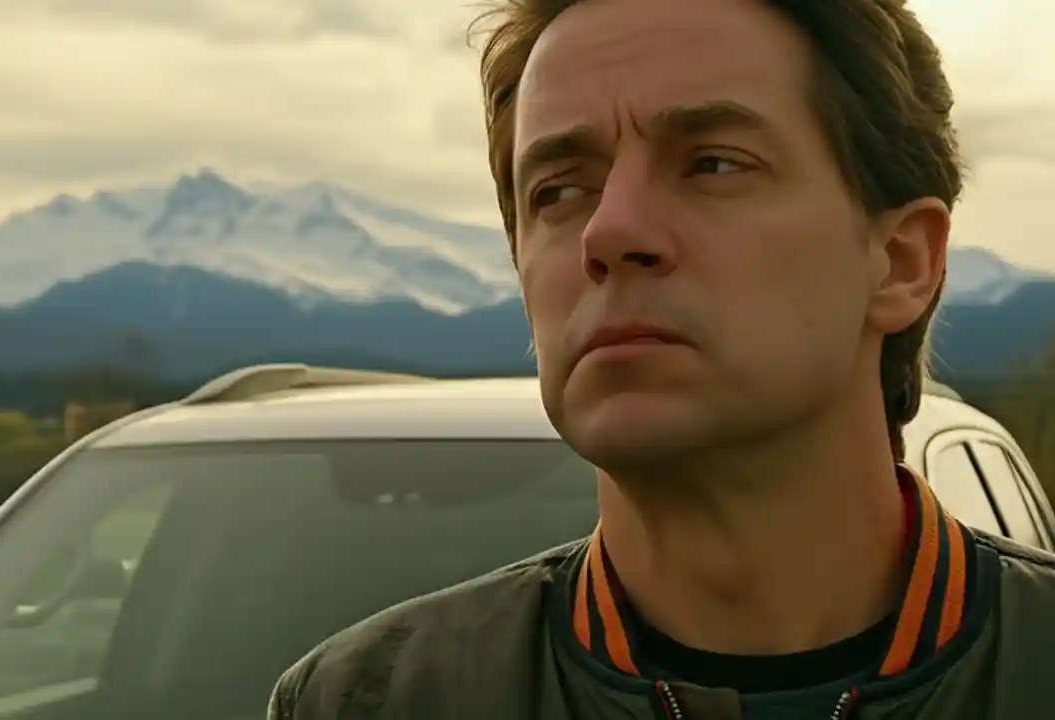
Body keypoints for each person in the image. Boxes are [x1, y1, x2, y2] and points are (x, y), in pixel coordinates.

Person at [267, 0, 1055, 717]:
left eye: (712, 163)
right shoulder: (371, 702)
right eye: (558, 192)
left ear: (901, 260)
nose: (609, 234)